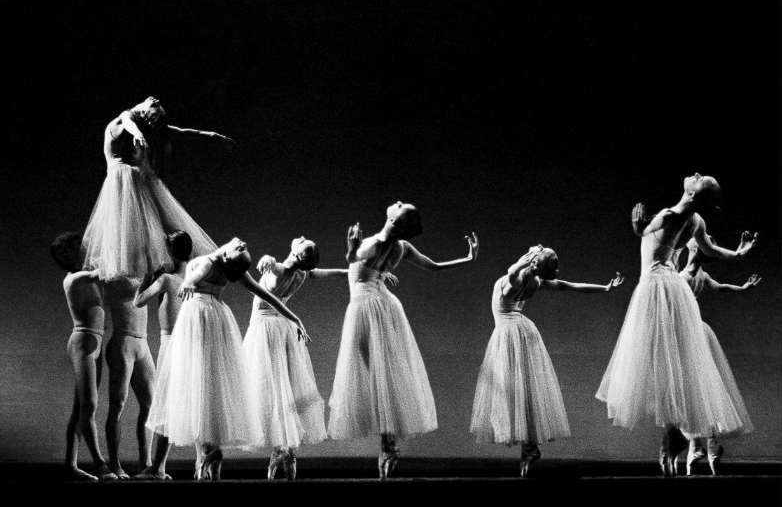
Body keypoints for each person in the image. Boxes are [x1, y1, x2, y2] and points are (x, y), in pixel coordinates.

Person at [597, 173, 757, 476]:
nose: (695, 174)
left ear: (695, 194)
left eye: (701, 179)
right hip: (675, 287)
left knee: (662, 361)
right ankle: (688, 437)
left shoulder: (674, 214)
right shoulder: (697, 220)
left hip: (658, 285)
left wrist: (637, 226)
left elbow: (645, 231)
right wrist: (737, 253)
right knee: (676, 362)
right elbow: (709, 250)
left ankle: (686, 437)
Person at [328, 202, 479, 479]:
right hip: (384, 302)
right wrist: (467, 259)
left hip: (365, 306)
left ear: (395, 221)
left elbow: (356, 257)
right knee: (382, 374)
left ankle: (388, 443)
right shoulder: (402, 248)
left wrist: (351, 249)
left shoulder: (377, 241)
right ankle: (388, 443)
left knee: (373, 374)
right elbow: (432, 267)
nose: (397, 202)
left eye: (401, 207)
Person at [146, 238, 307, 481]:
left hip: (197, 316)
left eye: (242, 247)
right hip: (218, 318)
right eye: (243, 246)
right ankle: (209, 451)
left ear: (227, 257)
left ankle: (208, 451)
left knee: (194, 382)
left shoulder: (211, 262)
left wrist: (189, 281)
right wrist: (294, 318)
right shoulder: (231, 270)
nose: (242, 242)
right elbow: (266, 295)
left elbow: (199, 272)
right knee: (210, 383)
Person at [246, 237, 398, 480]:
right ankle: (283, 450)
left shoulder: (285, 269)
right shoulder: (303, 275)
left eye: (301, 255)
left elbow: (274, 264)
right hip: (284, 328)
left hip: (266, 328)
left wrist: (267, 259)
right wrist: (374, 273)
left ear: (299, 257)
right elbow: (338, 272)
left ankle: (282, 449)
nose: (297, 255)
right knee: (284, 386)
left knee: (271, 387)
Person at [471, 246, 624, 476]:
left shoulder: (520, 278)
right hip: (522, 331)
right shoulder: (536, 282)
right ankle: (529, 447)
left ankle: (529, 447)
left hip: (508, 333)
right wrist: (604, 288)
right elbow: (569, 286)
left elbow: (514, 272)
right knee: (523, 391)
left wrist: (526, 258)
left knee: (513, 392)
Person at [82, 97, 236, 281]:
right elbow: (129, 123)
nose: (150, 123)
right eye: (151, 114)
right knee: (133, 228)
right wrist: (138, 134)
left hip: (128, 177)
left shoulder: (138, 123)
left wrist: (210, 134)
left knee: (141, 227)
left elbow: (180, 131)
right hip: (125, 177)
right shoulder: (127, 117)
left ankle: (162, 269)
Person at [679, 236, 759, 475]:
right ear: (695, 248)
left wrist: (741, 288)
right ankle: (703, 446)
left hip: (691, 334)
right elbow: (720, 287)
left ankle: (704, 445)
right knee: (696, 389)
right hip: (693, 333)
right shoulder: (690, 277)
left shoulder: (688, 277)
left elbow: (721, 287)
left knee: (696, 388)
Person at [51, 232, 117, 481]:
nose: (85, 250)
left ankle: (70, 464)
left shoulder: (83, 274)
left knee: (80, 408)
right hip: (83, 343)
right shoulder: (74, 279)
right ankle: (100, 465)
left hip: (93, 342)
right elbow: (101, 273)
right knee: (89, 405)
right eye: (80, 248)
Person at [131, 230, 192, 481]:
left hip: (171, 343)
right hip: (190, 342)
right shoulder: (195, 275)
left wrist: (147, 276)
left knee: (167, 404)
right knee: (178, 403)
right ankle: (161, 466)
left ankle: (157, 468)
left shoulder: (167, 279)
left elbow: (138, 301)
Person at [103, 276, 155, 479]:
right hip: (123, 341)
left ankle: (147, 463)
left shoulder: (141, 271)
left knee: (150, 405)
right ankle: (115, 464)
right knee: (118, 405)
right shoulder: (113, 274)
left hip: (142, 342)